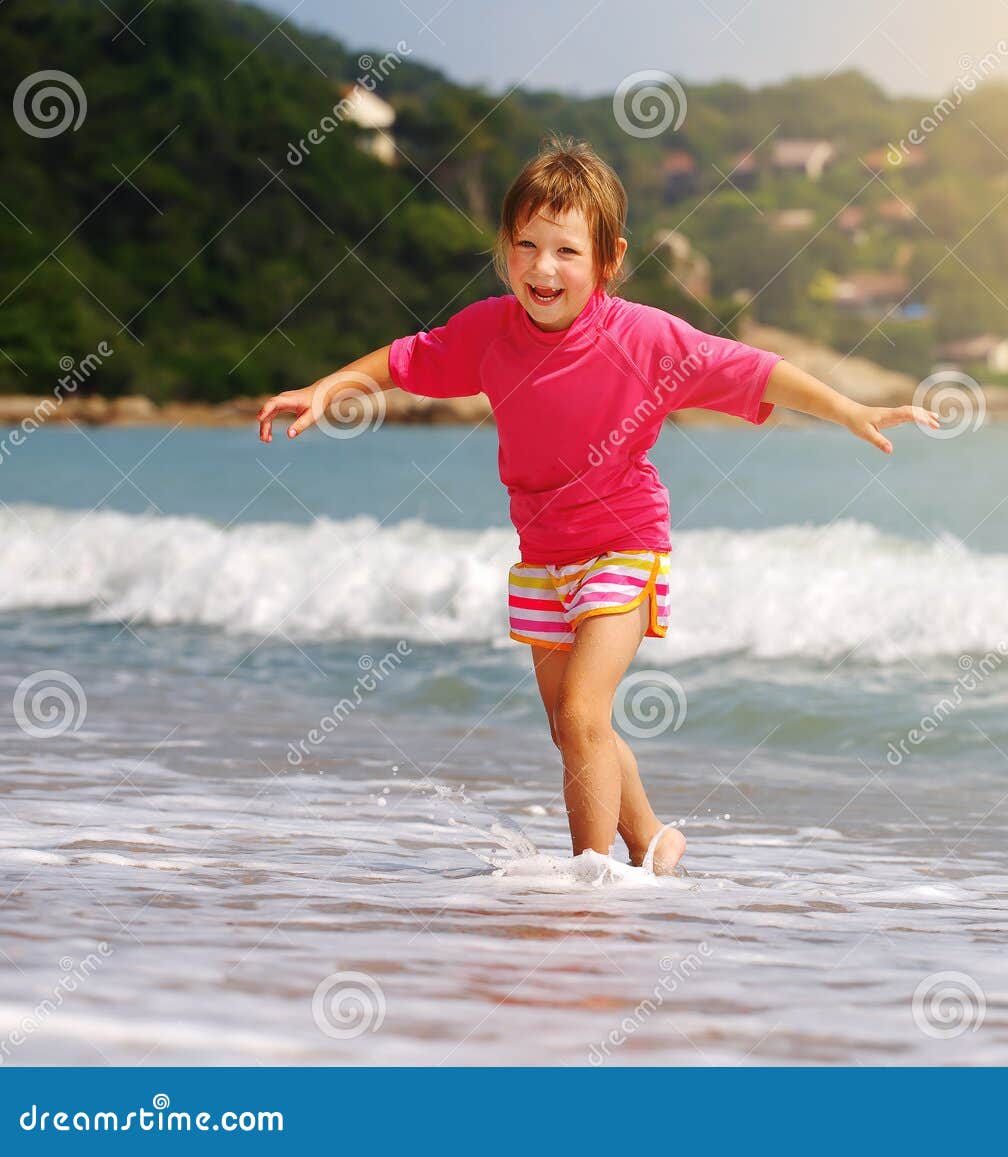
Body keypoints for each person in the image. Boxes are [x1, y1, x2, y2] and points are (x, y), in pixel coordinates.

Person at [256, 135, 939, 874]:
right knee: (570, 726)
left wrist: (849, 409)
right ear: (505, 249)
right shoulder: (489, 331)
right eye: (526, 245)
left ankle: (592, 881)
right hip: (542, 559)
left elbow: (755, 370)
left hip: (624, 547)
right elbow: (406, 359)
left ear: (608, 259)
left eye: (566, 251)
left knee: (584, 712)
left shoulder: (645, 338)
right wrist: (326, 387)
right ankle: (649, 841)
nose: (542, 268)